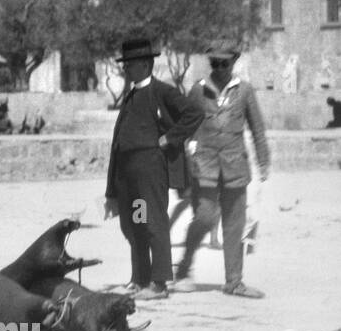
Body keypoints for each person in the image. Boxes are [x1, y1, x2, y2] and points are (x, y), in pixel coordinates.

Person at [104, 38, 203, 300]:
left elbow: (194, 114)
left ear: (146, 64)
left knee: (153, 223)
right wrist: (111, 191)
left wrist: (170, 138)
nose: (127, 70)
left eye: (132, 64)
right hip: (129, 174)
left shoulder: (163, 92)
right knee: (134, 224)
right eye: (125, 65)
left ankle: (159, 284)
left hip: (150, 171)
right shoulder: (132, 95)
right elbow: (117, 142)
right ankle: (140, 278)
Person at [173, 39, 270, 298]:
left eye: (223, 63)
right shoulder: (198, 90)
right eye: (214, 62)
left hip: (236, 166)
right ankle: (184, 265)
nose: (218, 68)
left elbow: (257, 128)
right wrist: (184, 164)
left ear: (233, 62)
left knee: (234, 225)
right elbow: (183, 129)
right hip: (204, 166)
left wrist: (263, 161)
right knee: (205, 217)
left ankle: (234, 281)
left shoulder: (245, 91)